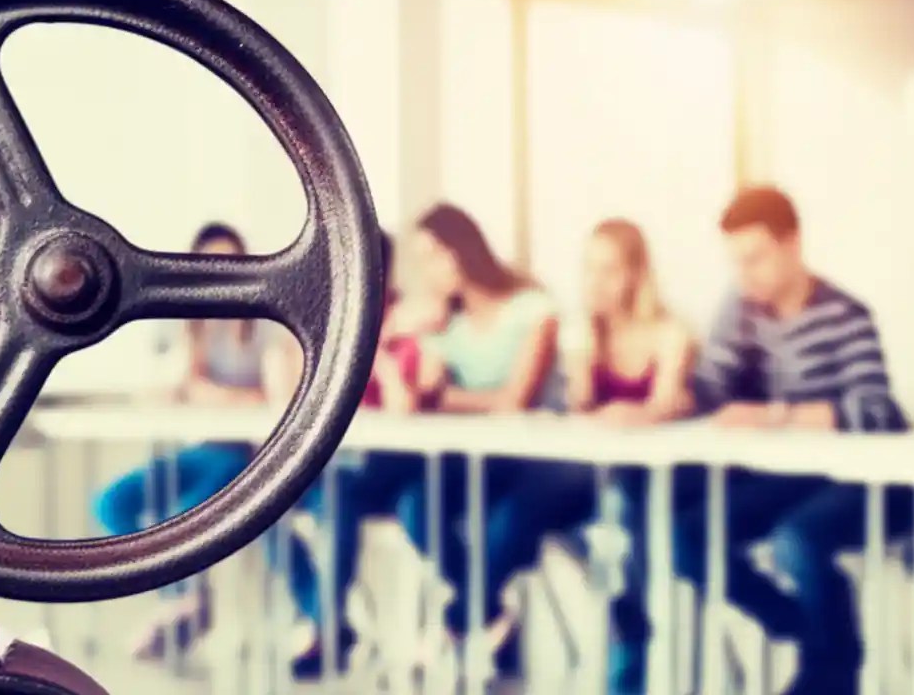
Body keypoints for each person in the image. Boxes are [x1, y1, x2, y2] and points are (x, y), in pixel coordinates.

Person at [674, 186, 908, 695]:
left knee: (795, 540)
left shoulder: (845, 315)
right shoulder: (744, 311)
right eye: (735, 263)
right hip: (785, 477)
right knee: (686, 536)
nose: (745, 274)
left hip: (853, 480)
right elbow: (710, 394)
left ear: (792, 245)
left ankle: (830, 669)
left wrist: (778, 414)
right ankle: (809, 634)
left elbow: (878, 412)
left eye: (755, 258)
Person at [394, 203, 580, 676]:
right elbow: (420, 400)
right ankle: (493, 617)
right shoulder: (447, 325)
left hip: (542, 460)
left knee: (506, 522)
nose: (429, 271)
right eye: (421, 260)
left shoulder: (533, 307)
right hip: (482, 460)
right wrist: (405, 332)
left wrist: (449, 397)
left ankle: (455, 624)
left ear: (462, 249)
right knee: (417, 503)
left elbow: (517, 398)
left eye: (435, 255)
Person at [264, 232, 440, 678]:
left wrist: (378, 349)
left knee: (337, 500)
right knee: (265, 509)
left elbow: (405, 410)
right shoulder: (320, 317)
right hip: (331, 467)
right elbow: (290, 404)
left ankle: (325, 627)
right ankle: (324, 614)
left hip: (384, 465)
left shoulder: (401, 323)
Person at [92, 223, 271, 658]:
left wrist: (209, 392)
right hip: (197, 450)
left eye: (230, 261)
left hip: (244, 455)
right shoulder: (184, 328)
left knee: (177, 517)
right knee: (113, 505)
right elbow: (157, 390)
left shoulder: (263, 325)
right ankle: (184, 599)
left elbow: (271, 399)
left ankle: (186, 604)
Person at [560, 218, 696, 694]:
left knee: (626, 504)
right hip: (595, 476)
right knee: (557, 514)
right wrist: (583, 348)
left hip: (659, 481)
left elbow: (665, 403)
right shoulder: (584, 331)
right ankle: (623, 611)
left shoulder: (670, 331)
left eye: (609, 270)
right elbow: (578, 405)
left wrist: (630, 414)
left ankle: (632, 635)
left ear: (637, 274)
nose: (596, 282)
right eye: (589, 269)